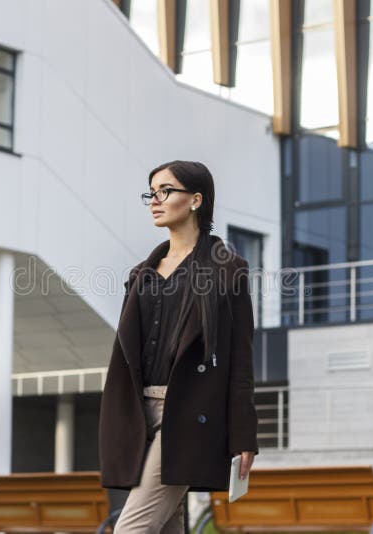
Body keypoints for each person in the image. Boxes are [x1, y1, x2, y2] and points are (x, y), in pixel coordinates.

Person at [98, 160, 259, 533]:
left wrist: (243, 434)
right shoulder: (142, 274)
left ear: (196, 200)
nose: (155, 201)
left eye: (165, 191)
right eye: (151, 193)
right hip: (140, 413)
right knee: (166, 524)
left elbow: (240, 358)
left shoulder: (226, 270)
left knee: (131, 528)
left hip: (189, 413)